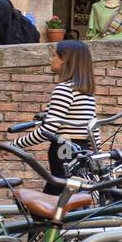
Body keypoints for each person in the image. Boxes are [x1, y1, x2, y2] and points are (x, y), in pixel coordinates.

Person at [12, 40, 98, 193]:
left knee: (52, 204)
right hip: (81, 152)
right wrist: (94, 156)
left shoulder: (64, 90)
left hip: (64, 150)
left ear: (64, 59)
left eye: (54, 56)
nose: (51, 60)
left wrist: (14, 146)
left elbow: (49, 130)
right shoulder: (86, 93)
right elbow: (94, 130)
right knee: (72, 202)